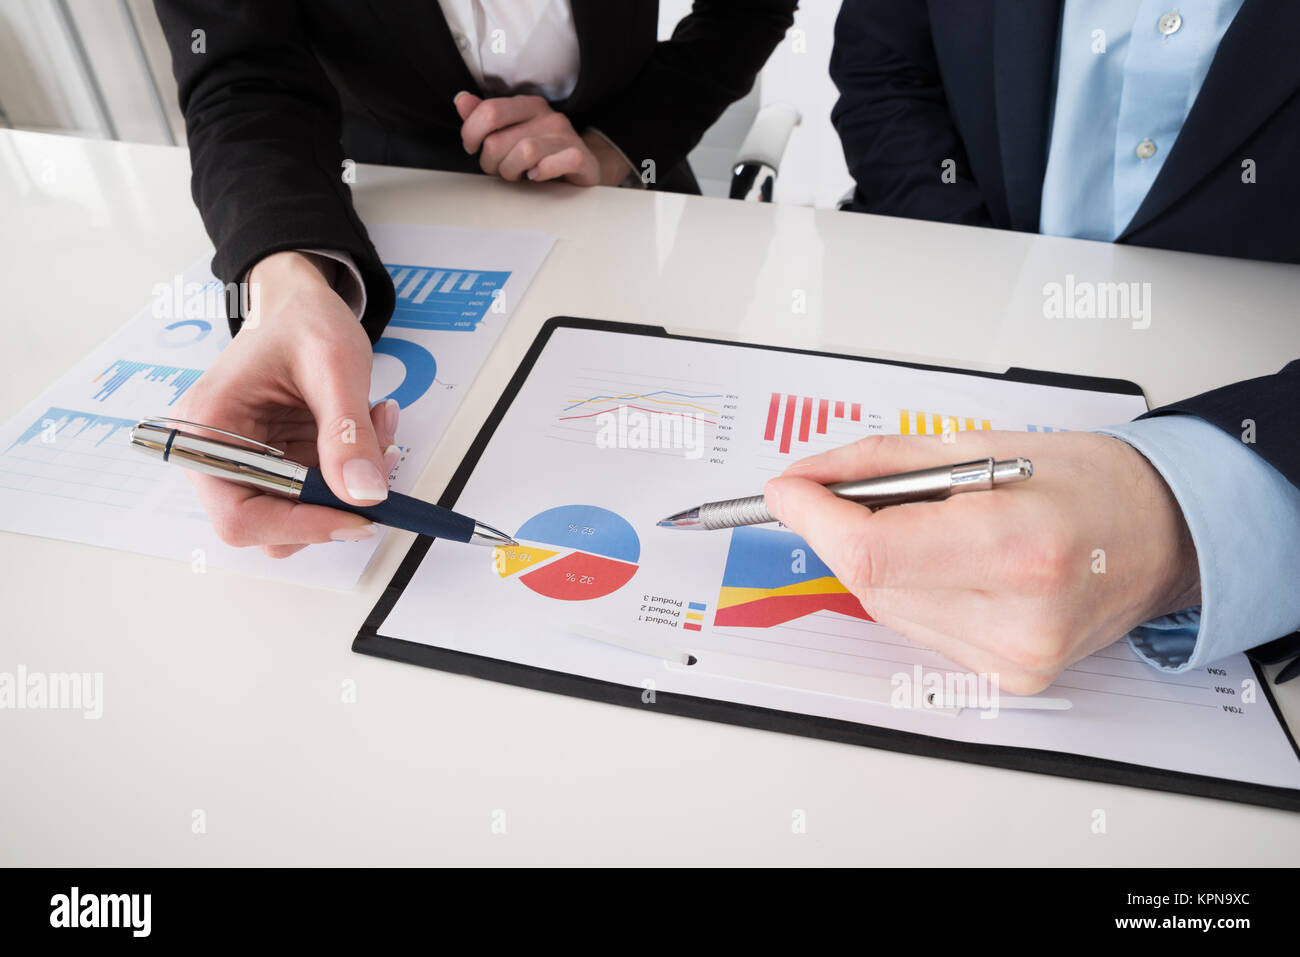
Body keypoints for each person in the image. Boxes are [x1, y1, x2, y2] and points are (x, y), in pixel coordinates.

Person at [766, 0, 1300, 692]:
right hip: (940, 306)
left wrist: (1192, 525)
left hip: (1251, 370)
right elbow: (883, 59)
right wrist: (978, 270)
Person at [152, 0, 797, 557]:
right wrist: (289, 278)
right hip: (390, 207)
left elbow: (745, 11)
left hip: (620, 204)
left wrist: (616, 144)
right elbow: (241, 78)